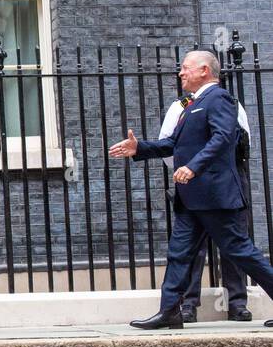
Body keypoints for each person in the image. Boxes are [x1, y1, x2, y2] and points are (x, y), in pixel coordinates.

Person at [109, 50, 273, 329]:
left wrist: (193, 167)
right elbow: (174, 143)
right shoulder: (193, 104)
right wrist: (140, 148)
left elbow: (223, 138)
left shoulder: (219, 98)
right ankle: (169, 310)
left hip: (215, 196)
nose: (181, 73)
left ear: (204, 71)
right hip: (191, 198)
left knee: (241, 252)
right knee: (179, 253)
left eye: (186, 68)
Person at [158, 89, 254, 322]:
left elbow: (242, 141)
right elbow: (168, 145)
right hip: (192, 180)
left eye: (187, 69)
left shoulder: (230, 103)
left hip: (225, 181)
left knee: (235, 245)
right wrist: (186, 169)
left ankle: (237, 302)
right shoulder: (179, 107)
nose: (183, 74)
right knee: (191, 248)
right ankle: (188, 304)